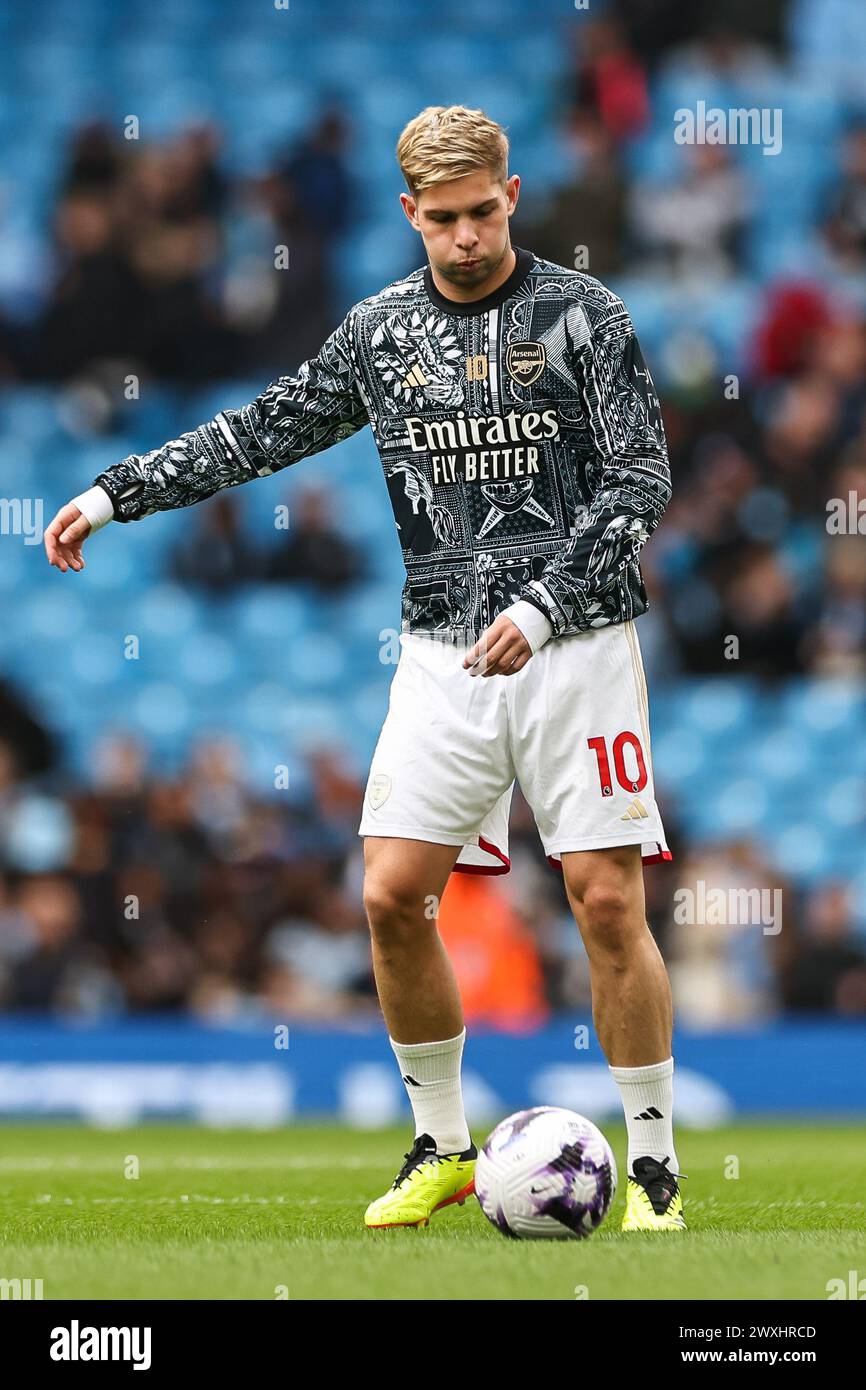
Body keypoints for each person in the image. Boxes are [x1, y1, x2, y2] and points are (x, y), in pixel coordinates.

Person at [44, 105, 680, 1233]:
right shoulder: (379, 332)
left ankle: (652, 1170)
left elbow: (638, 486)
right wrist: (115, 490)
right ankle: (440, 1143)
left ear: (512, 196)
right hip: (441, 648)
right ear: (408, 216)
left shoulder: (586, 315)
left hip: (575, 645)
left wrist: (543, 605)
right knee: (390, 894)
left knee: (601, 900)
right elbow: (264, 429)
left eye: (482, 213)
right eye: (441, 221)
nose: (466, 238)